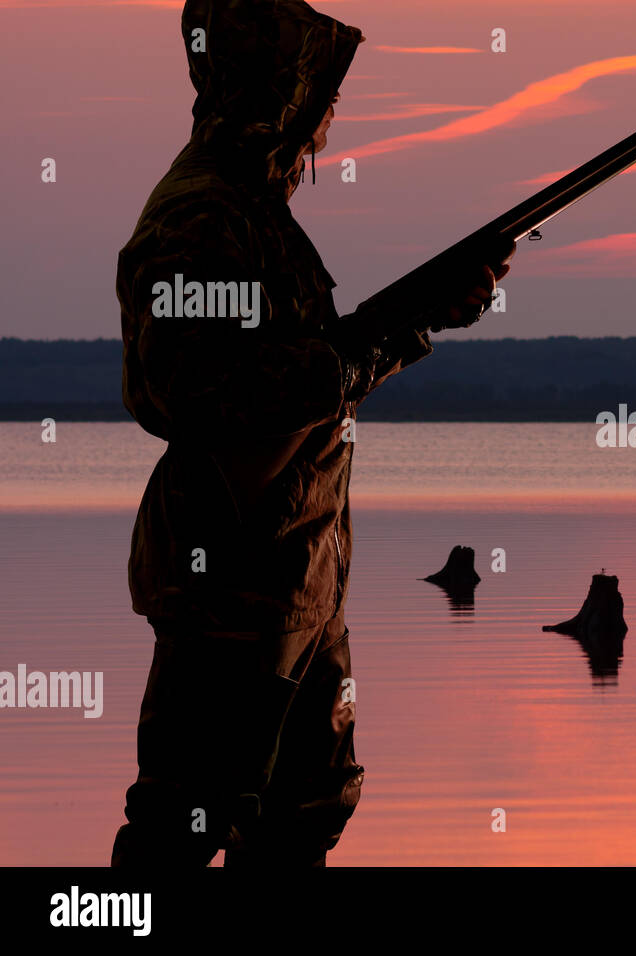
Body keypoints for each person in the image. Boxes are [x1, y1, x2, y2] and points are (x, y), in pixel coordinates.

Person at [111, 0, 513, 866]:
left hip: (298, 572)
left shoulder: (257, 215)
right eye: (318, 96)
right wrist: (359, 349)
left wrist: (413, 324)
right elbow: (181, 389)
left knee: (300, 816)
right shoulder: (203, 217)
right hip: (229, 575)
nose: (328, 123)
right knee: (184, 818)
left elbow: (315, 376)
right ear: (274, 93)